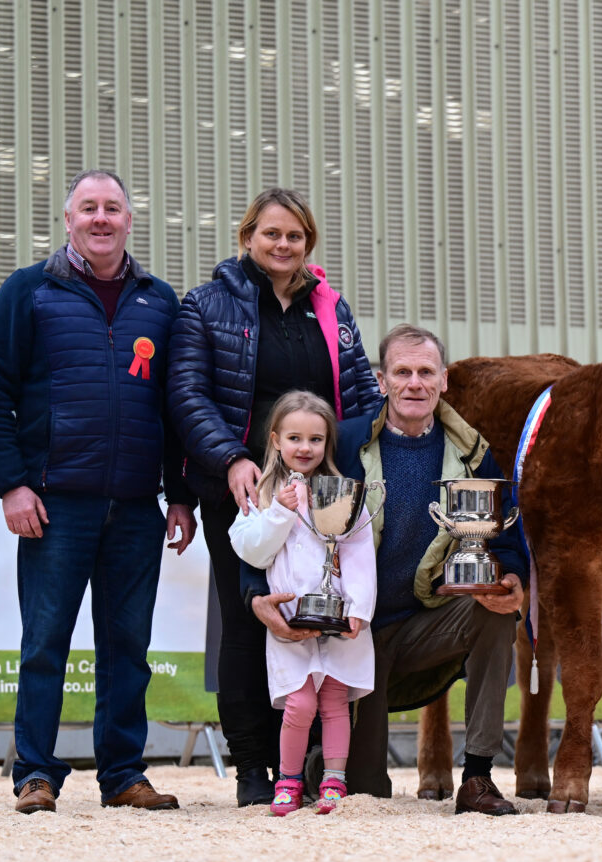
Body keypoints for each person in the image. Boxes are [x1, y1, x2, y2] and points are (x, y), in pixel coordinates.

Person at [0, 168, 197, 815]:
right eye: (88, 208)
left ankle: (123, 774)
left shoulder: (160, 301)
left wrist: (179, 495)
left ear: (130, 219)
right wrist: (11, 485)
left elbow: (175, 407)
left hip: (134, 508)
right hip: (54, 505)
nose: (101, 218)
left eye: (113, 208)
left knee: (128, 648)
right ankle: (35, 774)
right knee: (45, 645)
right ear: (68, 220)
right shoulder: (28, 293)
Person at [244, 324, 525, 815]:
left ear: (443, 382)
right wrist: (254, 593)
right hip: (353, 632)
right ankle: (316, 768)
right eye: (402, 372)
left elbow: (505, 534)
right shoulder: (343, 442)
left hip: (430, 624)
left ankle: (478, 776)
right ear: (381, 381)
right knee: (363, 792)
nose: (414, 383)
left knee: (494, 616)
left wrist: (513, 580)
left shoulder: (475, 454)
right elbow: (277, 519)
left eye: (425, 372)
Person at [168, 188, 380, 806]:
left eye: (294, 236)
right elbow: (186, 394)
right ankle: (255, 766)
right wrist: (231, 459)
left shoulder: (331, 309)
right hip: (242, 484)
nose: (282, 245)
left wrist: (341, 465)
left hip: (325, 488)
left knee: (325, 613)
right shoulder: (205, 305)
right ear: (247, 237)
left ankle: (315, 762)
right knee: (248, 619)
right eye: (271, 234)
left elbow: (364, 392)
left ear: (307, 243)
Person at [229, 391, 376, 816]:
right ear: (275, 440)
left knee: (334, 700)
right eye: (295, 438)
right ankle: (289, 780)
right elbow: (252, 552)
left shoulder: (343, 494)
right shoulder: (259, 496)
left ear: (327, 443)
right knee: (299, 703)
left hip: (340, 616)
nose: (305, 448)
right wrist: (280, 511)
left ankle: (334, 780)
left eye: (316, 439)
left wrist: (360, 608)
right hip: (291, 620)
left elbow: (359, 552)